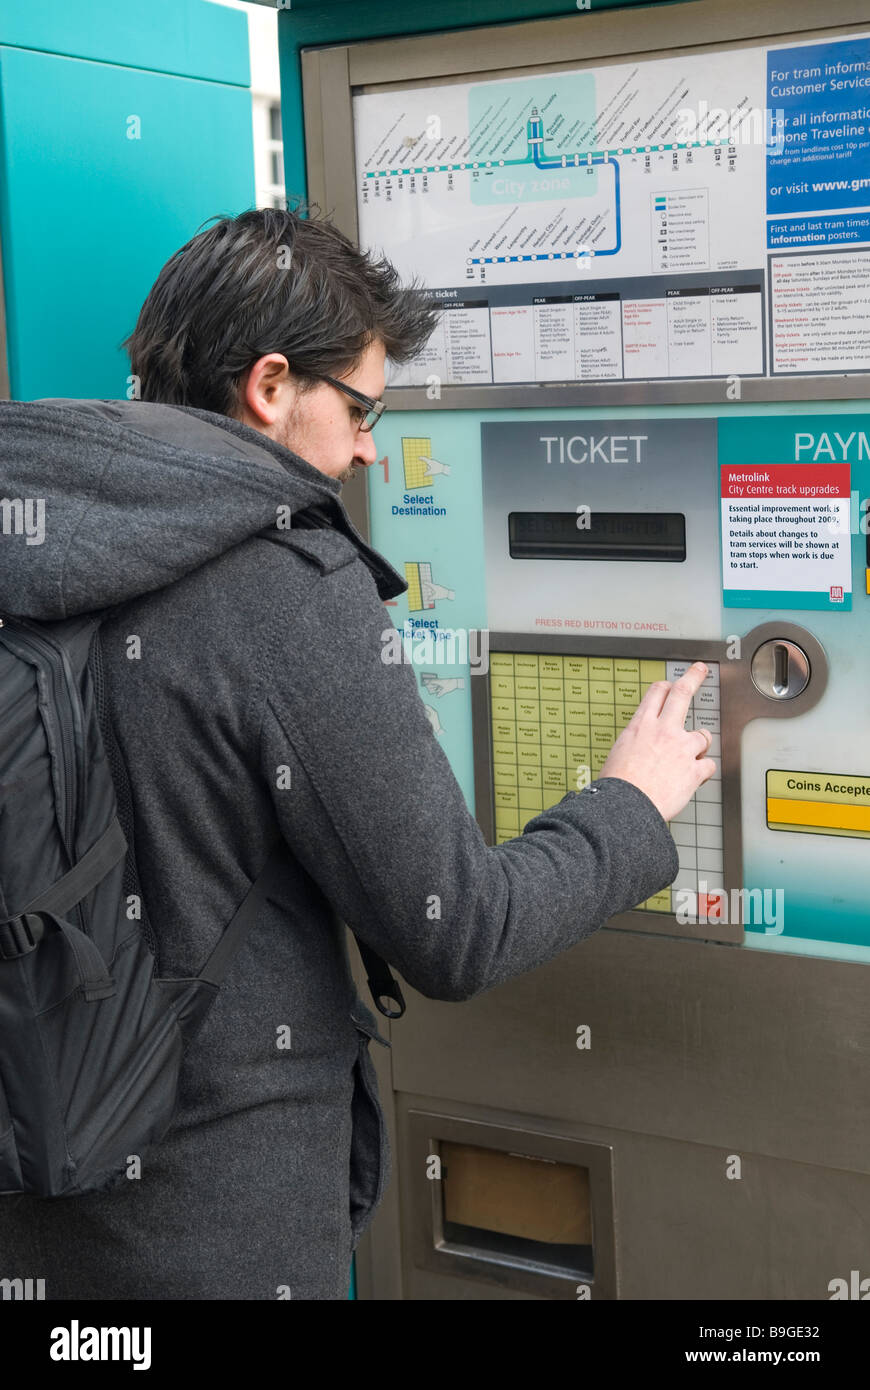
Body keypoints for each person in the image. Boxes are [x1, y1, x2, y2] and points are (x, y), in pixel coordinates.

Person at [0, 204, 714, 1300]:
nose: (371, 446)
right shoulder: (285, 583)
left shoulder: (34, 533)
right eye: (363, 407)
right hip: (213, 1216)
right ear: (272, 385)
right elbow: (459, 929)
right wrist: (629, 802)